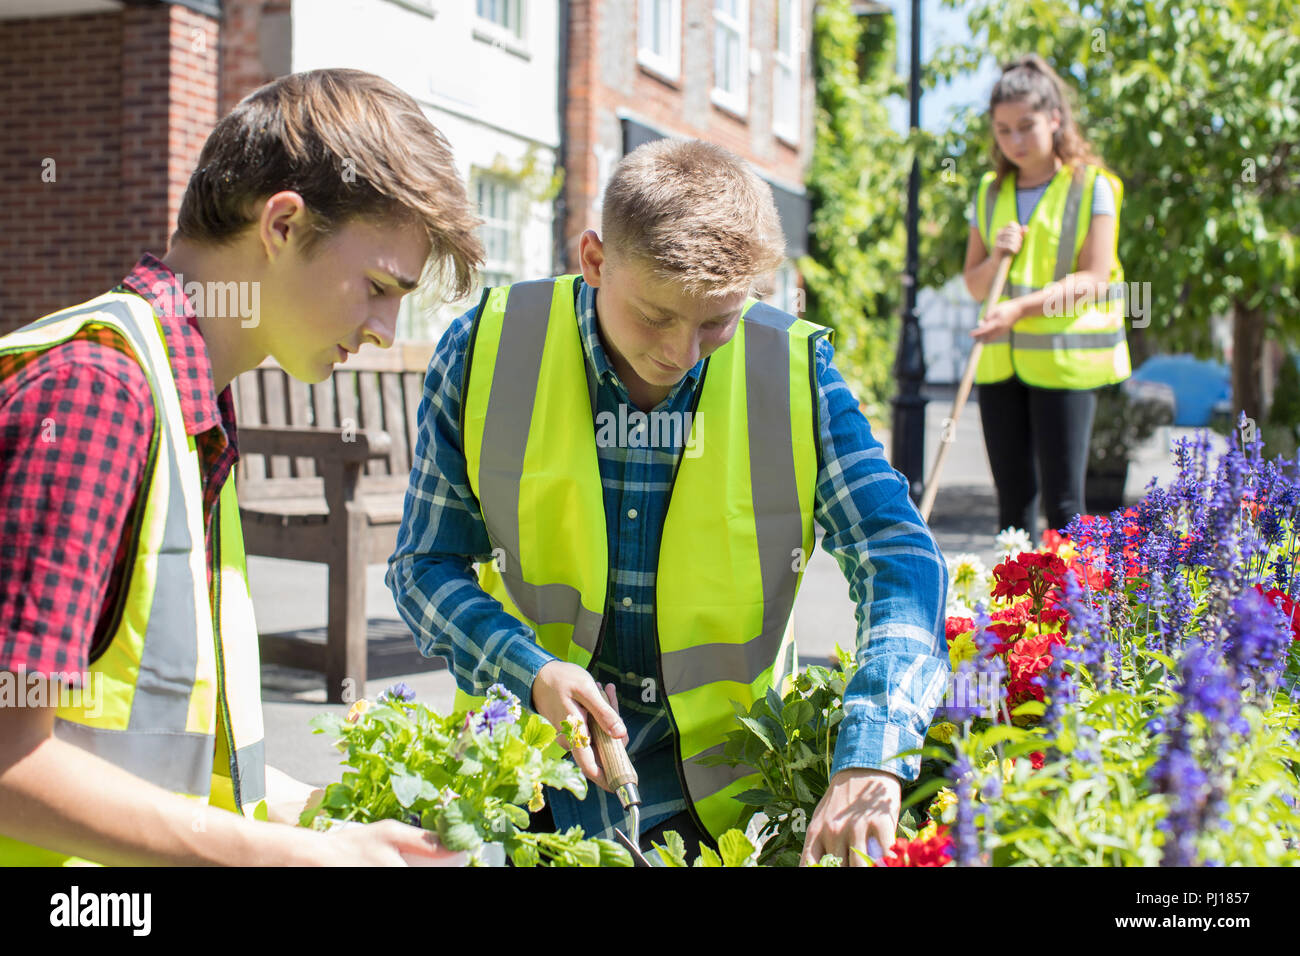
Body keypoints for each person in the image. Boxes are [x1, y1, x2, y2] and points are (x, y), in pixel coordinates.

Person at [388, 138, 950, 866]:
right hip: (520, 776)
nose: (683, 353)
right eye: (656, 315)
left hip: (727, 799)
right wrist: (527, 670)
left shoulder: (794, 374)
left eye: (717, 322)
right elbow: (424, 564)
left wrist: (873, 753)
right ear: (594, 260)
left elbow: (900, 557)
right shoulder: (486, 347)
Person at [0, 69, 484, 865]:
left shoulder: (189, 403)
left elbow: (176, 765)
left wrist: (337, 825)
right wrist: (291, 858)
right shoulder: (100, 392)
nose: (383, 329)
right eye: (377, 286)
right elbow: (9, 758)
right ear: (284, 225)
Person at [963, 54, 1131, 540]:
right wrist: (996, 259)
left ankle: (1074, 614)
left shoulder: (1094, 186)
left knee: (1065, 507)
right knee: (1013, 509)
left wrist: (1017, 311)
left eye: (1025, 127)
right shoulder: (988, 192)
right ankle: (1017, 616)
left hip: (1065, 363)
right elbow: (974, 284)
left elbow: (1095, 278)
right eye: (1002, 130)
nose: (1013, 141)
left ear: (1055, 119)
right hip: (998, 364)